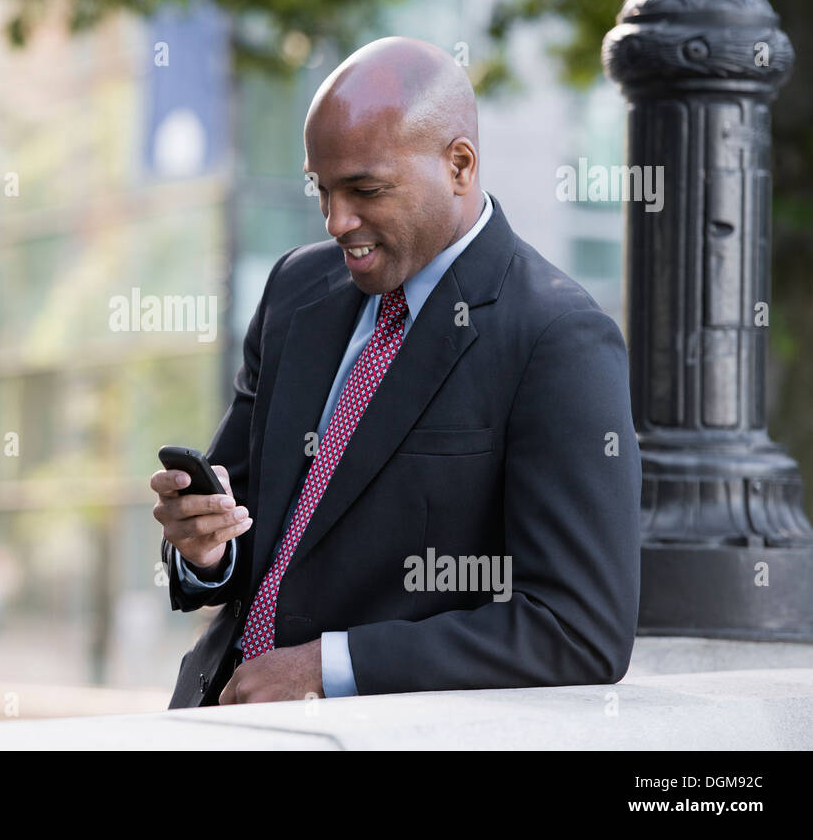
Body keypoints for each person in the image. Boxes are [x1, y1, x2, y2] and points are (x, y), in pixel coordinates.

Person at [151, 37, 640, 708]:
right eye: (322, 190)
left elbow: (578, 628)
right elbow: (248, 522)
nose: (337, 221)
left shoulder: (557, 338)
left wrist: (329, 665)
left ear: (460, 165)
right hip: (213, 718)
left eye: (365, 190)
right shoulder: (297, 290)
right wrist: (207, 550)